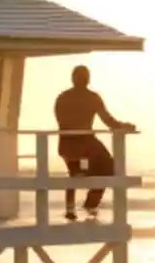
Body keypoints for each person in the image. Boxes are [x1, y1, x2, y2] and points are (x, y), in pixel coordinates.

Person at [54, 65, 135, 220]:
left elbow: (61, 122)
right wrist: (123, 126)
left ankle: (71, 209)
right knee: (109, 168)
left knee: (74, 173)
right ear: (87, 79)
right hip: (85, 145)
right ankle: (90, 203)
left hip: (66, 145)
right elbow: (109, 121)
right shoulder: (92, 98)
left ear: (73, 79)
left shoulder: (62, 97)